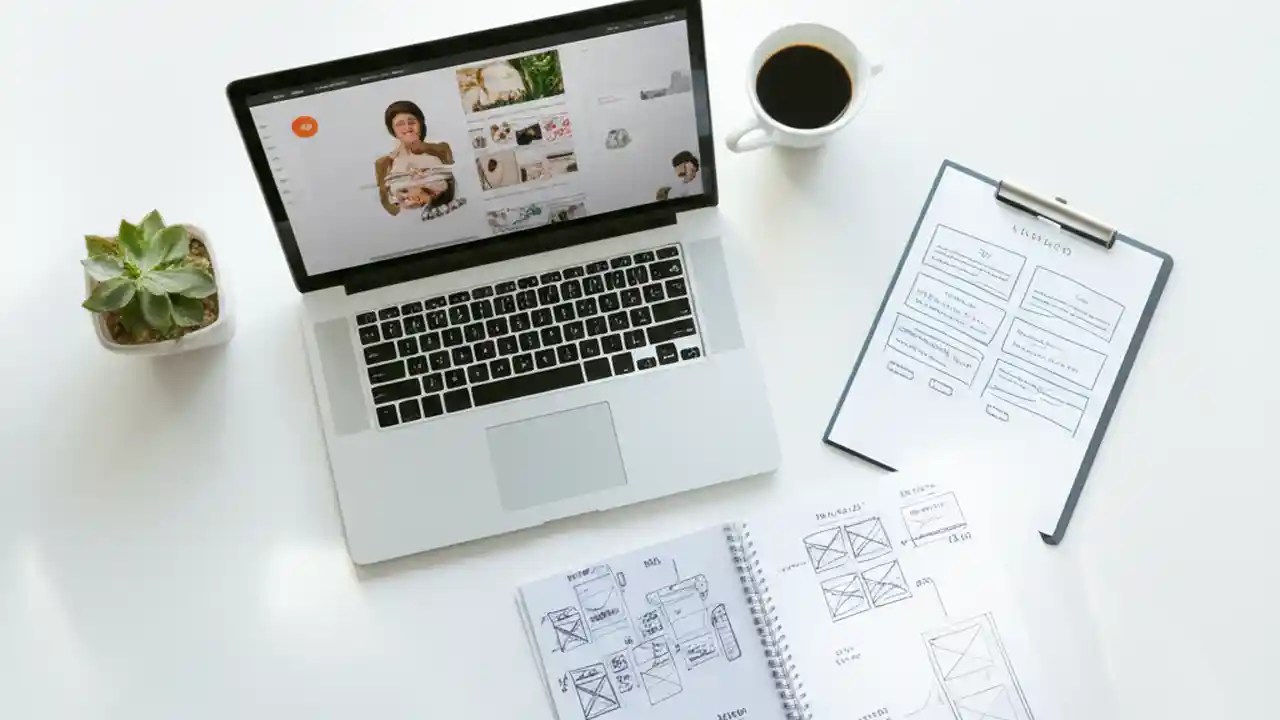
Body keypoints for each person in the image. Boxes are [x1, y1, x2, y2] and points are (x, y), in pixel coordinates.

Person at [375, 100, 457, 215]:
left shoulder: (441, 151)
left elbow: (451, 188)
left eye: (412, 122)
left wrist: (425, 192)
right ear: (392, 129)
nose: (407, 128)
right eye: (400, 124)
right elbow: (389, 207)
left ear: (420, 123)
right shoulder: (383, 163)